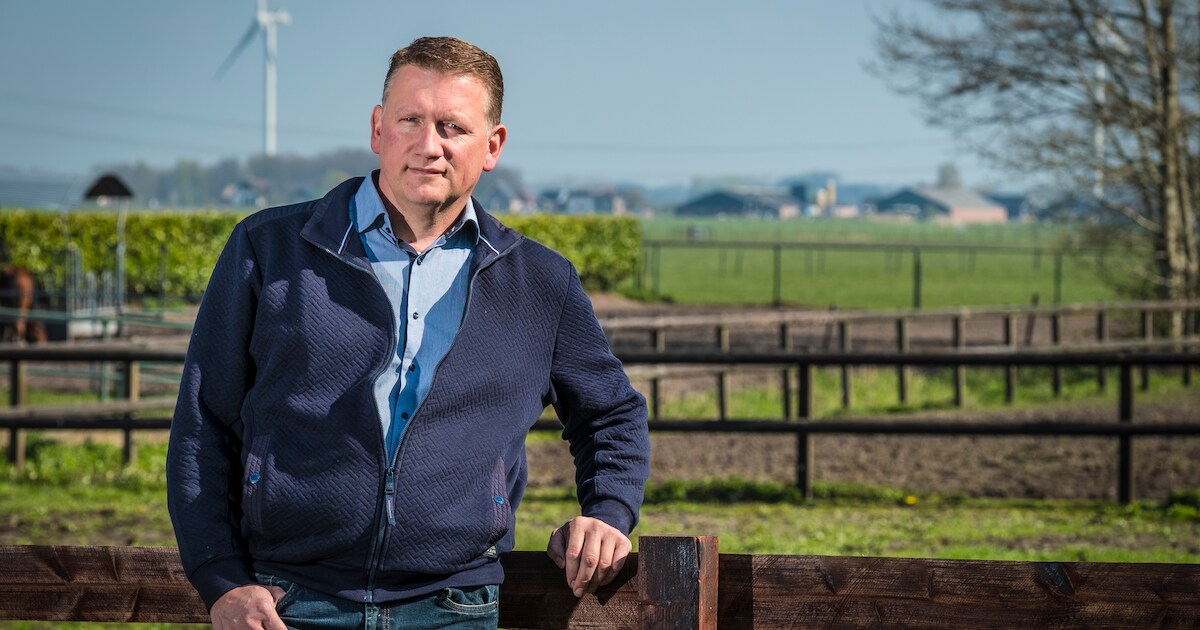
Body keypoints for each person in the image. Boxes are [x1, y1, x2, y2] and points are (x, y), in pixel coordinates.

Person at [166, 36, 650, 630]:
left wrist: (608, 512)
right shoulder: (268, 250)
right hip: (285, 604)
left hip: (456, 607)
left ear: (492, 145)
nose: (429, 146)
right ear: (377, 129)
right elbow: (202, 424)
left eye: (452, 126)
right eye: (410, 120)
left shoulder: (539, 282)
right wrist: (220, 579)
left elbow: (610, 416)